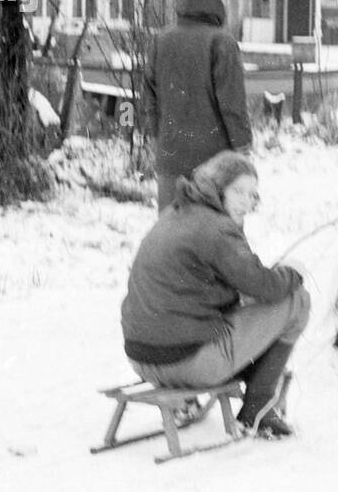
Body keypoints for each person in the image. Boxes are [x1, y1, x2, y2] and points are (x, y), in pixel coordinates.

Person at [120, 151, 310, 438]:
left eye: (252, 194)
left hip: (142, 360)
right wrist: (292, 272)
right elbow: (264, 286)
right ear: (218, 188)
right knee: (297, 300)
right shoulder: (217, 228)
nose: (247, 202)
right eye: (239, 192)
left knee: (241, 307)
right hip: (186, 364)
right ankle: (258, 408)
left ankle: (249, 379)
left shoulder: (175, 213)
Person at [144, 0, 252, 212]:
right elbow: (232, 106)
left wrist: (157, 140)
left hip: (170, 162)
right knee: (215, 238)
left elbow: (149, 101)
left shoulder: (161, 40)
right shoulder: (222, 43)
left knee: (173, 239)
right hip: (215, 168)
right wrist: (243, 150)